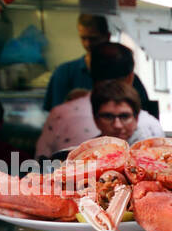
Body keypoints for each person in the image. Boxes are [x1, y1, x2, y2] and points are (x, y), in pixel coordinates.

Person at [35, 43, 163, 157]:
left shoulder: (59, 115)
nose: (117, 125)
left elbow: (40, 165)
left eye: (124, 116)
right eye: (107, 117)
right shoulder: (152, 126)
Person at [42, 14, 152, 112]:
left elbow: (143, 111)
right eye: (83, 38)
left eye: (93, 38)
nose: (88, 44)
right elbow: (55, 113)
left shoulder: (125, 74)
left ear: (107, 36)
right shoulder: (63, 73)